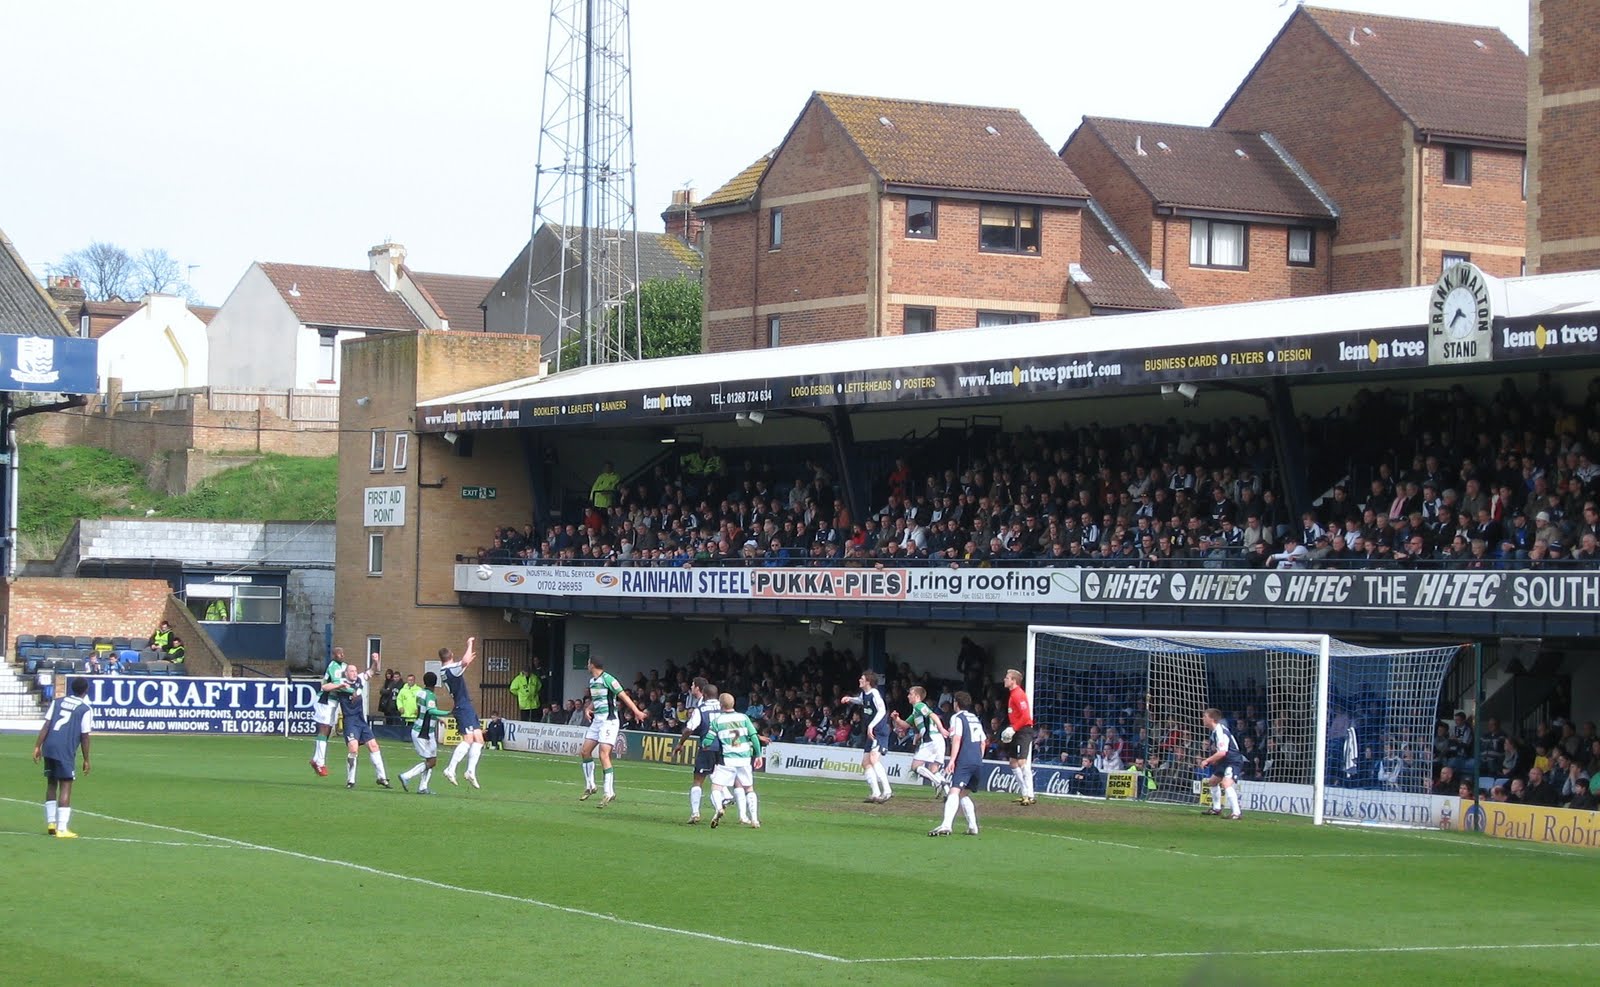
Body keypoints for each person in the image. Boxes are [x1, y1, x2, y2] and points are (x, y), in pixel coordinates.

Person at [578, 655, 648, 806]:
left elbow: (623, 696)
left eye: (588, 663)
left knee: (604, 754)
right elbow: (597, 699)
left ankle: (609, 792)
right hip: (597, 721)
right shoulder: (592, 681)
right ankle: (590, 785)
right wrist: (588, 708)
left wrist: (636, 711)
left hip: (609, 721)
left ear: (593, 665)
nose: (587, 665)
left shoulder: (609, 679)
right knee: (585, 751)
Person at [33, 677, 94, 838]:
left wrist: (37, 746)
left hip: (49, 746)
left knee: (52, 783)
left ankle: (51, 823)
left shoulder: (57, 701)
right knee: (66, 785)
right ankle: (62, 828)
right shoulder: (85, 709)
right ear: (85, 690)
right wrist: (86, 759)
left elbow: (47, 724)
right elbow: (85, 736)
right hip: (64, 750)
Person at [930, 690, 985, 837]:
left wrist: (952, 760)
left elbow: (957, 739)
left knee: (954, 792)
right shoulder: (975, 718)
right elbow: (983, 742)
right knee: (963, 793)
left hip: (965, 760)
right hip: (977, 761)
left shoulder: (957, 718)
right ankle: (973, 826)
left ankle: (946, 825)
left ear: (956, 703)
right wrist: (979, 758)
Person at [706, 692, 764, 828]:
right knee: (749, 788)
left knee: (716, 786)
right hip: (744, 758)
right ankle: (754, 819)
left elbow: (708, 740)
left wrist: (704, 745)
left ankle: (719, 808)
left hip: (728, 759)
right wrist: (758, 755)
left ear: (721, 705)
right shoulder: (743, 718)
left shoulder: (717, 721)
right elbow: (754, 737)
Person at [671, 676, 723, 824]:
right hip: (722, 749)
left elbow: (689, 728)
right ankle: (720, 806)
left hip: (707, 747)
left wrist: (680, 743)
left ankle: (695, 813)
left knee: (698, 781)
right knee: (718, 781)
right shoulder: (723, 707)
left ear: (705, 695)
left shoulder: (701, 709)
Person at [438, 637, 487, 789]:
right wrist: (469, 644)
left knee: (479, 739)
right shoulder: (450, 669)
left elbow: (463, 665)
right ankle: (450, 769)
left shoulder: (446, 670)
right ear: (451, 655)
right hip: (462, 706)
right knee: (468, 739)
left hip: (466, 706)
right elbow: (464, 662)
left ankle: (470, 772)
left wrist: (467, 661)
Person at [840, 670, 893, 803]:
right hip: (871, 732)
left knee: (874, 759)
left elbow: (882, 710)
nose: (859, 680)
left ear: (868, 681)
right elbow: (860, 700)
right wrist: (850, 699)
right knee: (865, 763)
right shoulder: (865, 694)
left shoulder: (875, 693)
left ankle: (887, 791)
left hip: (878, 731)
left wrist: (871, 726)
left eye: (862, 679)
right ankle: (875, 793)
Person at [338, 657, 391, 790]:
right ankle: (350, 780)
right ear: (346, 673)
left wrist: (375, 660)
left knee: (374, 746)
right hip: (350, 721)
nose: (354, 673)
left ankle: (382, 778)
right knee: (354, 749)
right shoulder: (341, 684)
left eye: (355, 671)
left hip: (361, 720)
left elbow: (372, 671)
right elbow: (326, 686)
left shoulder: (360, 679)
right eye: (351, 671)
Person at [890, 686, 949, 793]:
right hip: (939, 740)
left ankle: (938, 782)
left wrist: (942, 728)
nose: (908, 696)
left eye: (910, 694)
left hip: (931, 739)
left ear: (917, 696)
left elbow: (933, 715)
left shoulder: (919, 706)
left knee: (915, 766)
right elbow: (905, 725)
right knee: (934, 769)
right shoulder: (915, 712)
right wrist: (897, 719)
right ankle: (947, 790)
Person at [398, 672, 448, 795]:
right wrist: (448, 713)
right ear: (436, 683)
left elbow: (423, 711)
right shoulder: (431, 696)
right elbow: (431, 710)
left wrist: (438, 719)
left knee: (431, 760)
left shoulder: (420, 692)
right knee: (431, 761)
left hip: (425, 731)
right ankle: (406, 776)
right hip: (423, 732)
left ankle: (423, 787)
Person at [309, 647, 353, 777]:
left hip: (334, 701)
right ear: (333, 655)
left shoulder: (345, 666)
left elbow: (348, 681)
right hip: (325, 700)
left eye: (343, 653)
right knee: (324, 728)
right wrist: (352, 691)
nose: (342, 655)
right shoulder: (333, 666)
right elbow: (338, 683)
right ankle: (320, 763)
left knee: (327, 731)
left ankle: (316, 759)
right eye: (339, 653)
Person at [1200, 708, 1244, 820]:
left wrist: (1207, 760)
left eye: (1205, 716)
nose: (1203, 719)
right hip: (1225, 761)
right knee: (1212, 782)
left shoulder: (1220, 731)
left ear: (1212, 719)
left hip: (1233, 761)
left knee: (1226, 784)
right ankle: (1216, 809)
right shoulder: (1215, 731)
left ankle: (1236, 813)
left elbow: (1222, 752)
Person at [1002, 667, 1037, 806]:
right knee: (1013, 761)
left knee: (1022, 761)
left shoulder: (1018, 695)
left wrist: (1013, 728)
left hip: (1023, 730)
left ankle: (1030, 794)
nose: (1004, 679)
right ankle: (1024, 793)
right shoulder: (1013, 694)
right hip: (1017, 730)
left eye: (1007, 677)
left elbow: (1026, 716)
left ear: (1014, 680)